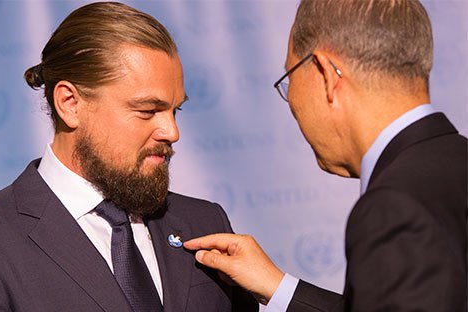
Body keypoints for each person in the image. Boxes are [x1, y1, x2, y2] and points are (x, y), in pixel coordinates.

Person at [184, 0, 468, 311]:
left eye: (289, 77)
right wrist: (279, 288)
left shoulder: (395, 207)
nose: (290, 99)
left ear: (326, 74)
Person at [0, 2, 258, 311]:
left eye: (175, 110)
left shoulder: (205, 223)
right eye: (147, 110)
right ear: (69, 103)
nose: (172, 132)